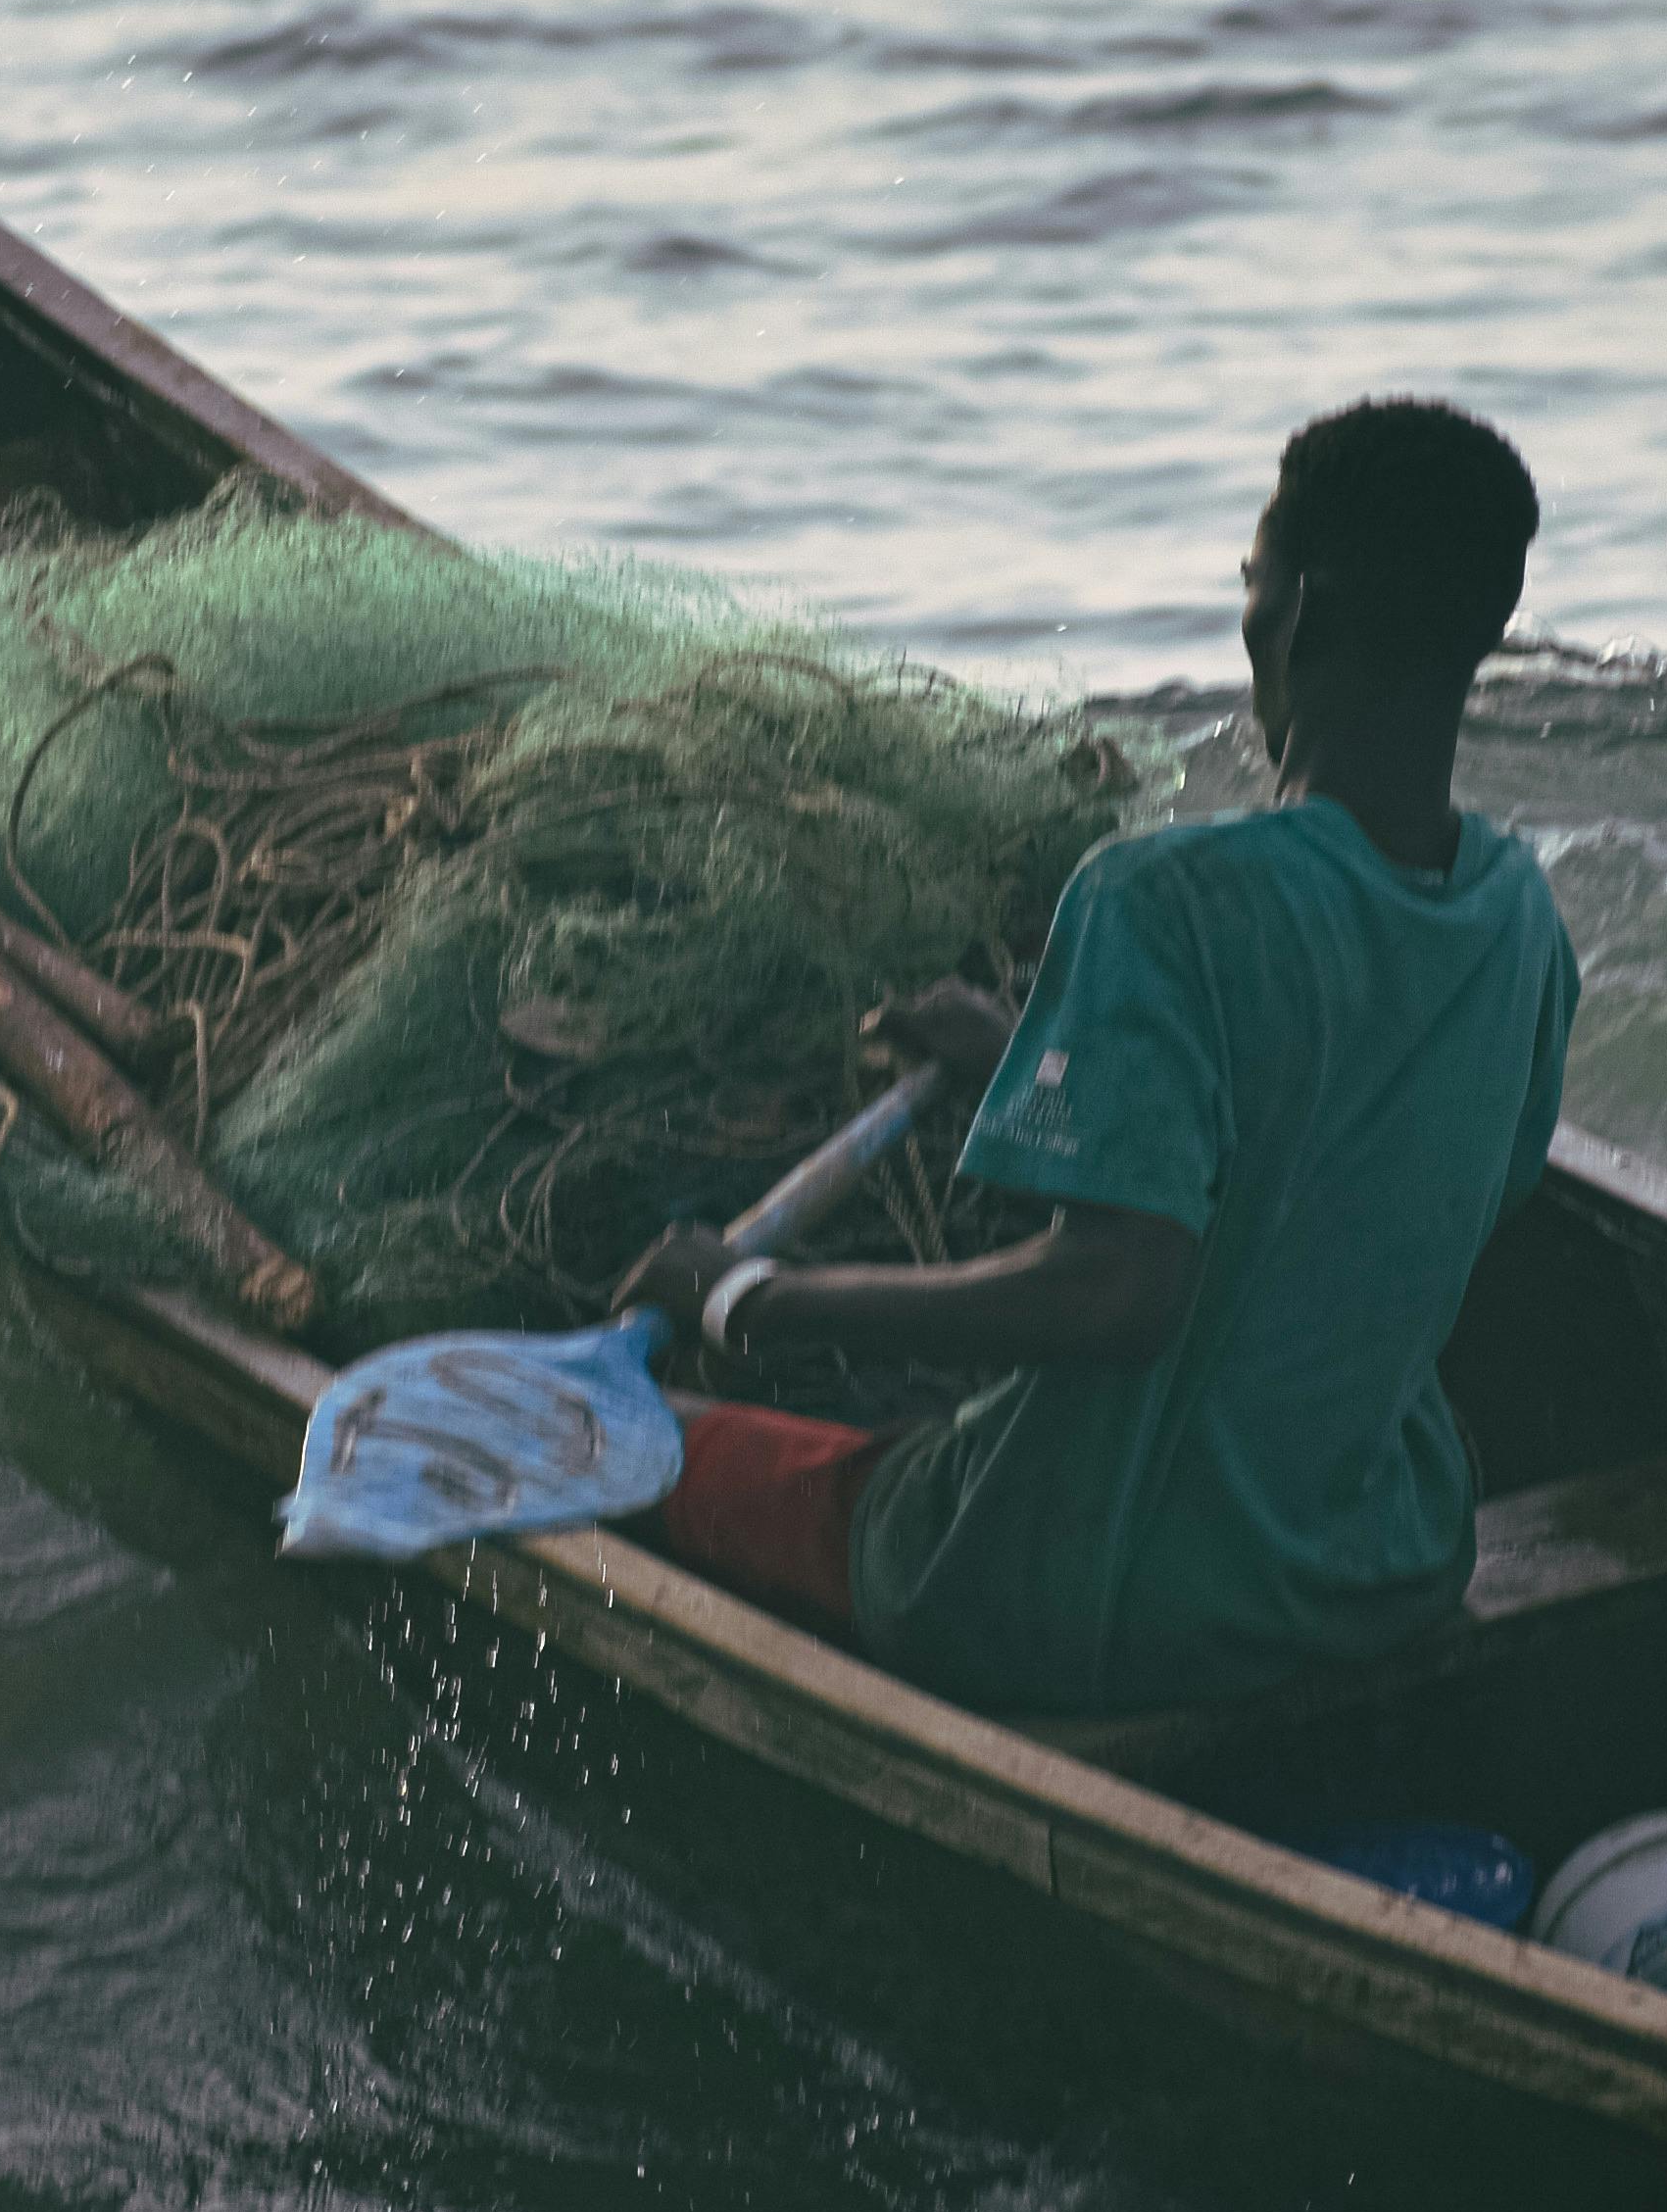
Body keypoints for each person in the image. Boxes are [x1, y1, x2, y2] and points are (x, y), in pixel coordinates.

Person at [608, 399, 1578, 1716]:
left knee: (657, 1446)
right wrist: (1026, 1053)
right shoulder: (1518, 918)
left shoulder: (1161, 897)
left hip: (1100, 1597)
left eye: (1254, 583)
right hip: (1377, 1563)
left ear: (1298, 616)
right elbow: (1365, 1182)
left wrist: (751, 1296)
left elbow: (1121, 1291)